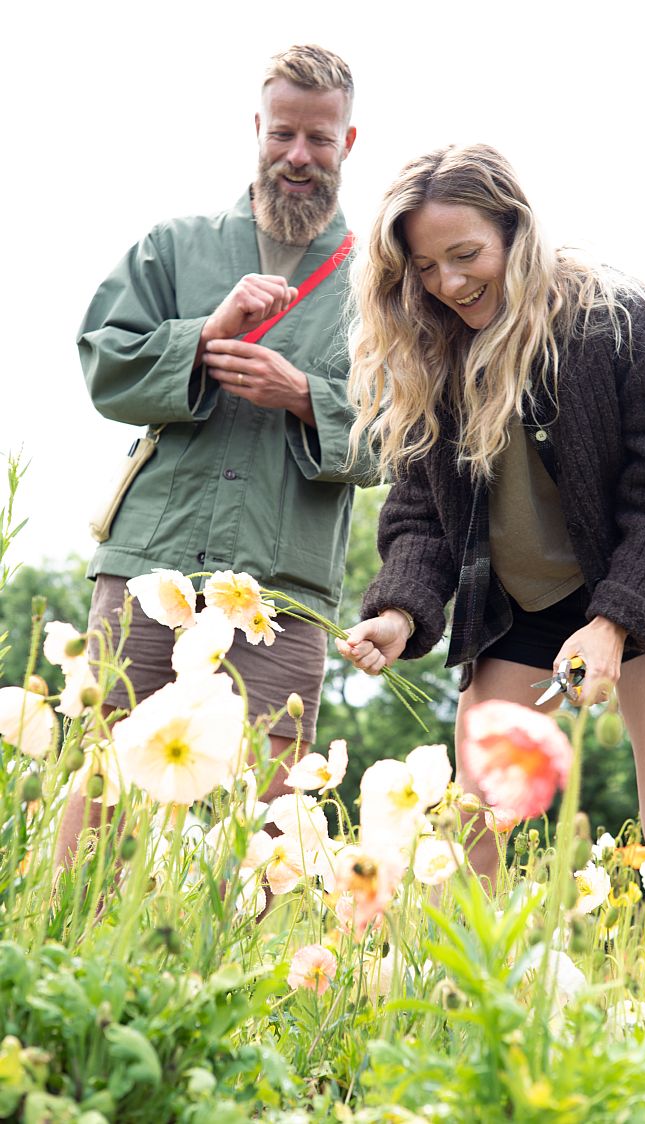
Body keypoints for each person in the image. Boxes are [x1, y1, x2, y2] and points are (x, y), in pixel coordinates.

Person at [336, 143, 645, 998]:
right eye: (426, 266)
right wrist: (401, 610)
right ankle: (454, 1019)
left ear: (518, 229)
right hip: (522, 608)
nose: (447, 283)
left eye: (466, 254)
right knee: (475, 816)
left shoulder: (630, 329)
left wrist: (616, 619)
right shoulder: (432, 356)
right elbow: (421, 517)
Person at [68, 44, 362, 834]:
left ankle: (244, 961)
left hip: (283, 586)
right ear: (257, 129)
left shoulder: (382, 282)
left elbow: (407, 437)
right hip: (147, 562)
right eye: (282, 135)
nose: (298, 157)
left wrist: (303, 396)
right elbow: (102, 363)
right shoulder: (173, 246)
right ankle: (74, 951)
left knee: (268, 814)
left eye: (319, 139)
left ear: (348, 143)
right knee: (104, 780)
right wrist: (201, 337)